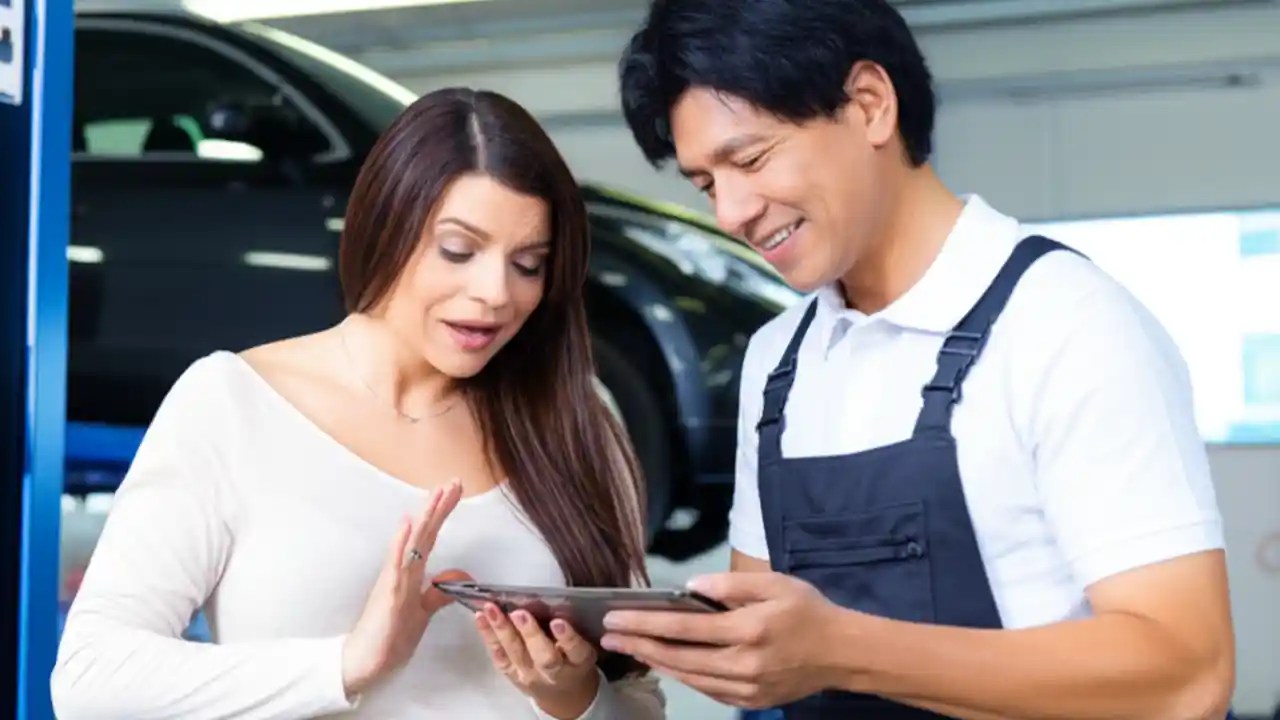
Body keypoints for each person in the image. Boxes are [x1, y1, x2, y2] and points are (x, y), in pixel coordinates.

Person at [598, 1, 1237, 719]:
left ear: (870, 105)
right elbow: (762, 639)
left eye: (749, 159)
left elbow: (1187, 674)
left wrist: (842, 649)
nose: (731, 213)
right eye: (707, 184)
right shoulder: (779, 360)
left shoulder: (1066, 323)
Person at [51, 87, 665, 720]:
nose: (495, 293)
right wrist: (348, 664)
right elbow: (90, 680)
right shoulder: (235, 404)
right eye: (458, 251)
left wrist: (571, 697)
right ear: (387, 226)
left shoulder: (577, 427)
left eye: (529, 264)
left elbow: (642, 704)